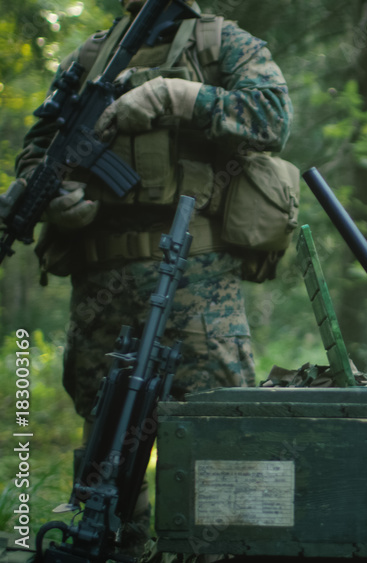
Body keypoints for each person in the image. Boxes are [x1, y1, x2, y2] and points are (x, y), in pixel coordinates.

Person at [12, 0, 292, 552]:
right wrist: (54, 196)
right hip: (101, 283)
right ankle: (112, 546)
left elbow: (272, 119)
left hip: (196, 277)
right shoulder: (89, 57)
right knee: (104, 442)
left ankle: (229, 549)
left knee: (222, 433)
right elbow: (39, 149)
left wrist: (178, 95)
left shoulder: (222, 43)